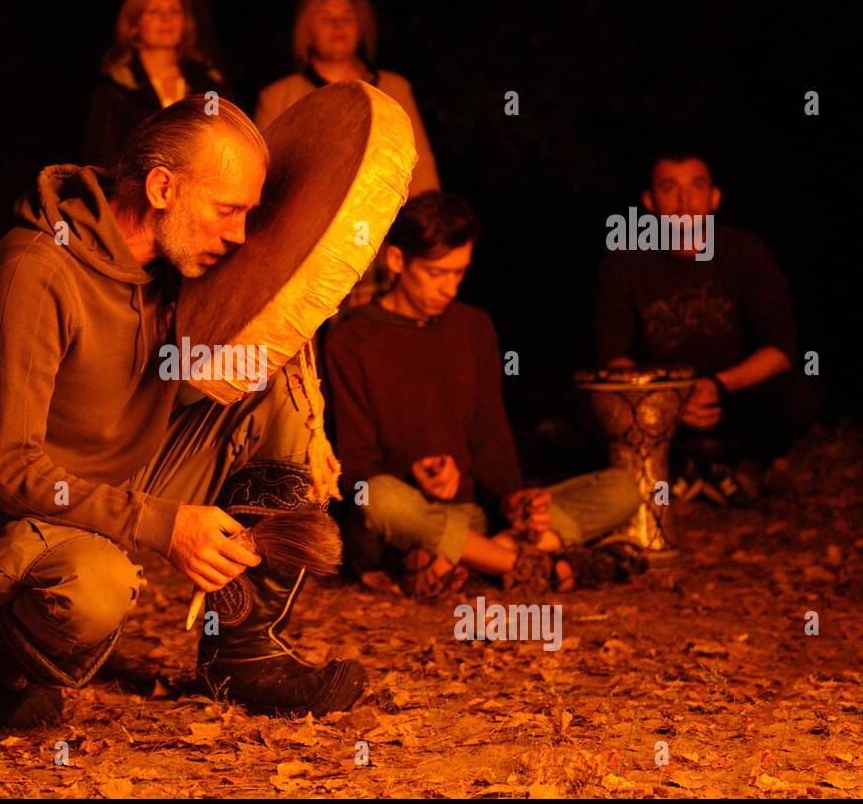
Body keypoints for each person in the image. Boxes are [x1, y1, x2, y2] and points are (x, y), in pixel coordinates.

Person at [0, 97, 366, 728]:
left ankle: (240, 650)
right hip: (29, 509)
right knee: (95, 588)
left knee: (279, 393)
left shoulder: (175, 263)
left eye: (248, 214)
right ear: (163, 187)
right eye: (227, 211)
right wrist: (164, 525)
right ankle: (10, 649)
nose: (240, 234)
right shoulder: (34, 271)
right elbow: (8, 469)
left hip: (134, 474)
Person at [324, 192, 643, 600]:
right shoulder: (352, 339)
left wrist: (515, 501)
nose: (449, 288)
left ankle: (466, 556)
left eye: (459, 274)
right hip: (393, 520)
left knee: (622, 488)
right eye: (437, 273)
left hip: (471, 515)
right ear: (397, 261)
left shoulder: (473, 327)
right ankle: (521, 563)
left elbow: (491, 433)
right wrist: (416, 476)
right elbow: (354, 469)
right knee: (382, 499)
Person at [594, 150, 818, 501]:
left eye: (696, 187)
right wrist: (669, 399)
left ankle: (739, 463)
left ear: (714, 198)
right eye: (670, 188)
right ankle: (676, 465)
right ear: (649, 201)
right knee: (595, 402)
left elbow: (781, 349)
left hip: (733, 396)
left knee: (799, 394)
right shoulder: (624, 261)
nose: (684, 201)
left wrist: (718, 386)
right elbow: (613, 355)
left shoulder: (745, 250)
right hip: (660, 402)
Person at [256, 0, 441, 313]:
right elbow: (262, 183)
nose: (338, 27)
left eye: (347, 18)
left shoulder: (394, 88)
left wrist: (426, 237)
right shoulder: (280, 97)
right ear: (307, 33)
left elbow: (421, 168)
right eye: (327, 19)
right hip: (309, 252)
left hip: (384, 243)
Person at [82, 0, 232, 168]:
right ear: (134, 24)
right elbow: (100, 158)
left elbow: (228, 139)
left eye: (174, 11)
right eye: (154, 11)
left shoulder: (207, 80)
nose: (166, 19)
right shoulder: (117, 88)